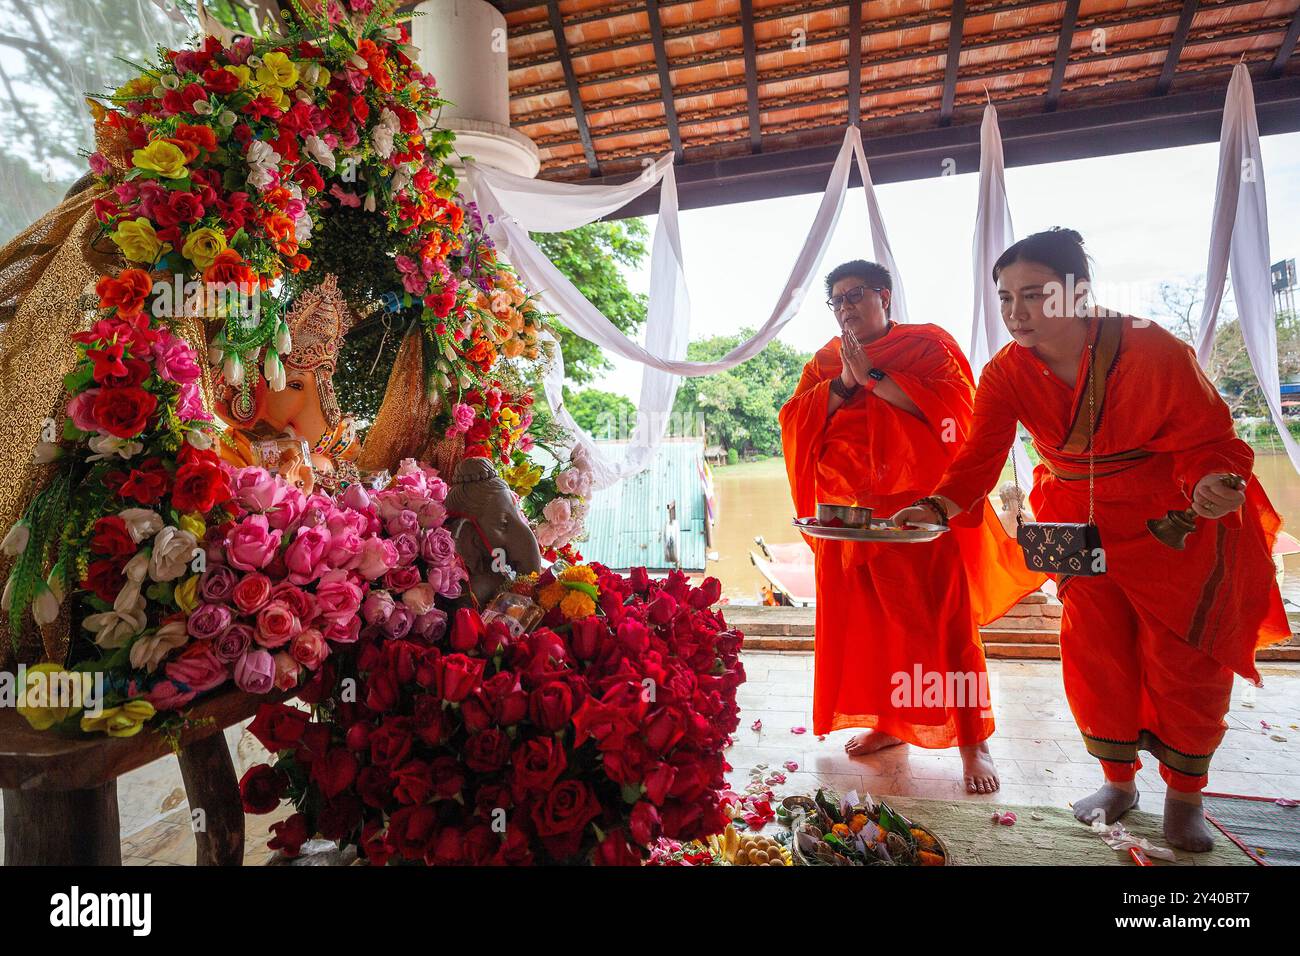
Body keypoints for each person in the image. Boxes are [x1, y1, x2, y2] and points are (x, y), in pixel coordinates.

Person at [892, 228, 1290, 850]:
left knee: (1183, 662)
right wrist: (938, 505)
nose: (1016, 313)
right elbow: (979, 459)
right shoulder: (1005, 373)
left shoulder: (1153, 350)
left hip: (1172, 524)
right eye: (1004, 298)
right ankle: (1118, 781)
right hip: (1079, 527)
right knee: (1095, 656)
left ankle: (1185, 796)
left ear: (1078, 292)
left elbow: (1210, 440)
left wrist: (1213, 481)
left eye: (1033, 295)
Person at [780, 260, 1043, 794]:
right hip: (845, 516)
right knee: (873, 624)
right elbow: (796, 419)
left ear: (885, 297)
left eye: (856, 295)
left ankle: (974, 741)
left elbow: (956, 415)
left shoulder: (928, 347)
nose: (847, 307)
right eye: (837, 301)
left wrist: (873, 378)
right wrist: (843, 384)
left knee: (945, 624)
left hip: (916, 512)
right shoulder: (825, 361)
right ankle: (889, 723)